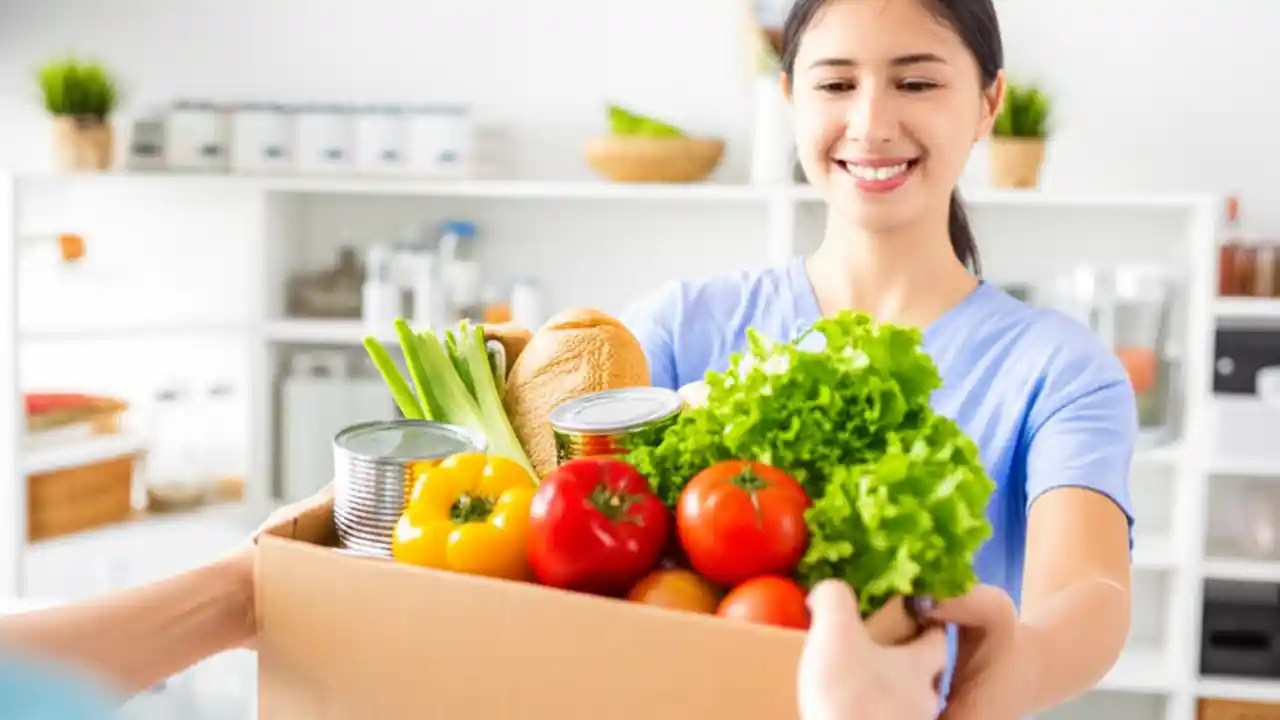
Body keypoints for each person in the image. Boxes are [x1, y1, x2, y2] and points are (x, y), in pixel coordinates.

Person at [621, 0, 1136, 718]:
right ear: (789, 98)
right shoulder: (677, 328)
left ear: (989, 103)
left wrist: (1018, 666)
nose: (871, 124)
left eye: (916, 83)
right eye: (835, 85)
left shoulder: (1059, 368)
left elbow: (1090, 591)